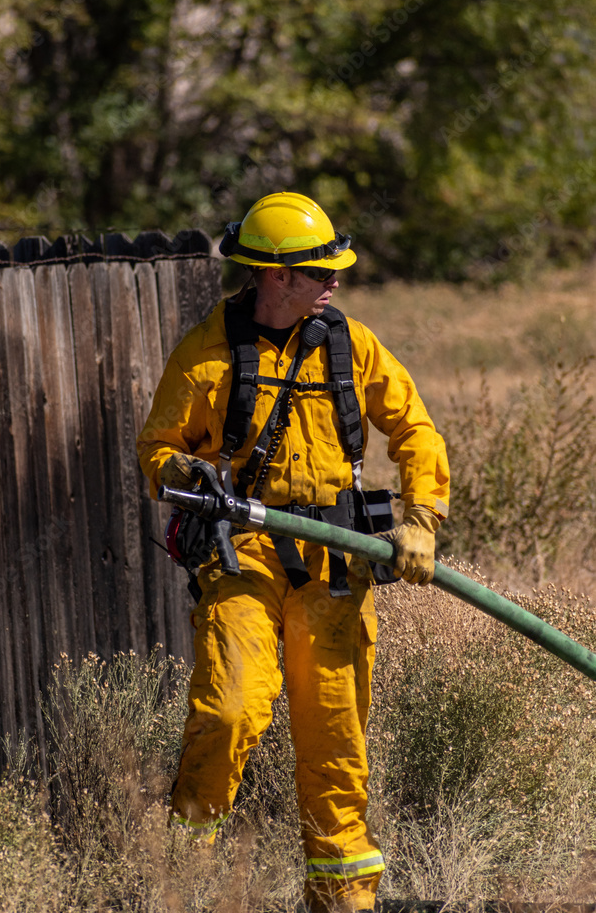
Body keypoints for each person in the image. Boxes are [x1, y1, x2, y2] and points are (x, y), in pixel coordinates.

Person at [137, 191, 450, 913]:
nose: (334, 280)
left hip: (332, 568)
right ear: (274, 276)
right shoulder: (207, 352)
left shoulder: (350, 343)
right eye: (320, 269)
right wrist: (186, 475)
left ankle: (343, 901)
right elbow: (156, 448)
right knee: (229, 710)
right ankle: (178, 885)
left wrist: (421, 519)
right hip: (242, 553)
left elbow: (415, 431)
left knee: (334, 746)